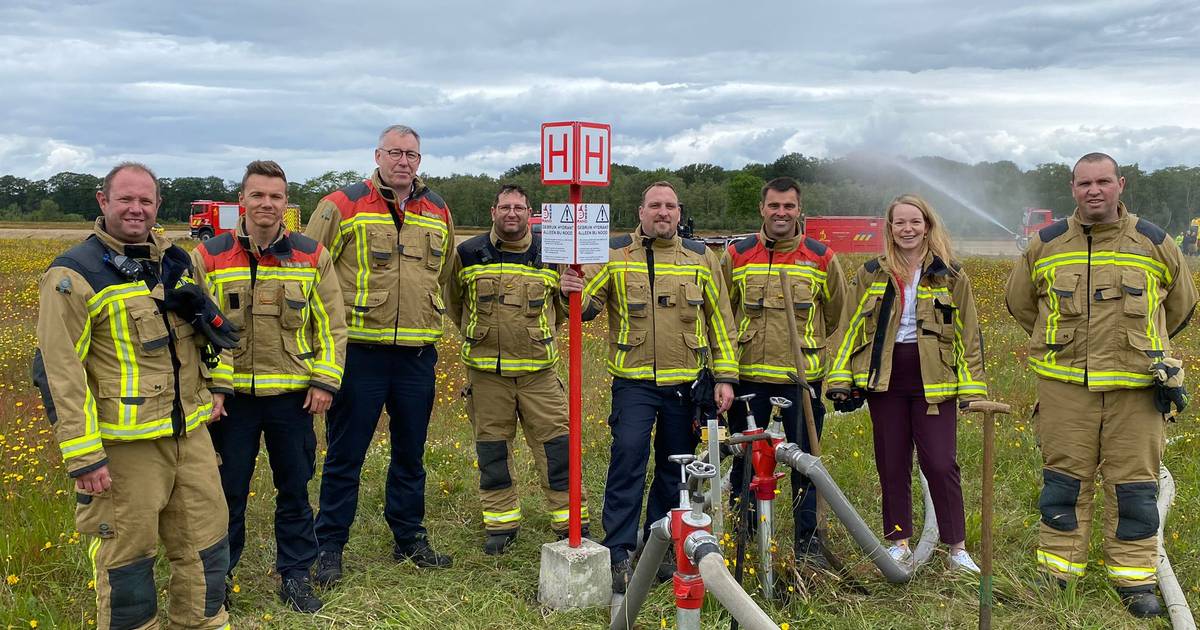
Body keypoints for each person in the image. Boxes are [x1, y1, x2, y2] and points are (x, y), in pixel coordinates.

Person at [32, 162, 235, 629]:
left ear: (157, 206)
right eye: (125, 199)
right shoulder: (73, 274)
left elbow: (213, 331)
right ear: (103, 201)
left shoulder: (176, 261)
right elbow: (60, 372)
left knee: (206, 549)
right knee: (128, 566)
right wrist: (84, 456)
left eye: (145, 200)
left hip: (192, 437)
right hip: (125, 451)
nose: (136, 209)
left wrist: (218, 385)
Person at [1005, 153, 1197, 618]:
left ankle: (1134, 578)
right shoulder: (1046, 243)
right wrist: (1064, 345)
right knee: (1063, 482)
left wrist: (1139, 345)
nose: (1094, 190)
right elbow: (1021, 303)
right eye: (1085, 182)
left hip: (1136, 389)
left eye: (1104, 182)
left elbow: (1182, 307)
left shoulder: (1154, 242)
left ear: (1120, 185)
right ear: (1072, 187)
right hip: (1065, 387)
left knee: (1133, 485)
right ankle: (1058, 570)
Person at [560, 181, 738, 594]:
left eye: (670, 206)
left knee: (675, 469)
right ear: (641, 211)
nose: (663, 212)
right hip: (634, 383)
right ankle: (619, 550)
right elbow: (586, 307)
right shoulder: (616, 254)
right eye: (655, 205)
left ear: (679, 213)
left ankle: (658, 546)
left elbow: (721, 320)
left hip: (685, 384)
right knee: (628, 460)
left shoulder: (700, 258)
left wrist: (725, 377)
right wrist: (568, 287)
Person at [192, 160, 346, 612]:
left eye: (275, 196)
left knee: (295, 492)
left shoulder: (312, 255)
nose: (267, 204)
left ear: (286, 204)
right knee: (227, 495)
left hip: (294, 401)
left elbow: (333, 327)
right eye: (258, 195)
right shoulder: (210, 255)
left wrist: (324, 382)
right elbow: (198, 332)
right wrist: (213, 390)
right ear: (243, 200)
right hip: (231, 401)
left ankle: (296, 574)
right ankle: (219, 580)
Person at [305, 125, 456, 585]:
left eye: (412, 154)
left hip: (416, 356)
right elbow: (309, 268)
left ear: (420, 160)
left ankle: (409, 538)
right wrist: (316, 349)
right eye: (395, 152)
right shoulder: (341, 204)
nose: (404, 161)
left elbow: (447, 273)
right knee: (346, 455)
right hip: (359, 355)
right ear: (377, 155)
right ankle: (329, 545)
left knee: (411, 454)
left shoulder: (438, 209)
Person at [827, 194, 987, 574]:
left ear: (927, 225)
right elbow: (850, 328)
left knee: (941, 462)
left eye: (915, 222)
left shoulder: (951, 273)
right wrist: (840, 377)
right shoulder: (870, 273)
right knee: (892, 461)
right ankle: (898, 542)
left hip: (936, 379)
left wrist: (973, 387)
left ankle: (956, 548)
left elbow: (969, 333)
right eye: (900, 222)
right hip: (885, 380)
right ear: (890, 228)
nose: (908, 229)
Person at [445, 184, 589, 554]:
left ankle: (570, 522)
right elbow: (455, 304)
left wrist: (577, 287)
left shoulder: (551, 252)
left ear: (529, 213)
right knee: (492, 452)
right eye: (505, 207)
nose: (512, 213)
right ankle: (501, 525)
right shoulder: (468, 253)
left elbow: (573, 308)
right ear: (493, 211)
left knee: (557, 449)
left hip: (539, 374)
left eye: (519, 207)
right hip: (487, 376)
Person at [720, 177, 847, 565]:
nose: (781, 213)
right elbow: (723, 310)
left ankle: (808, 544)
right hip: (749, 378)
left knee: (805, 463)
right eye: (774, 206)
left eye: (789, 206)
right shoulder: (737, 254)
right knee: (746, 460)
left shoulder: (821, 256)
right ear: (762, 209)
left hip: (801, 379)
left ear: (799, 210)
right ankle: (746, 534)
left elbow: (836, 310)